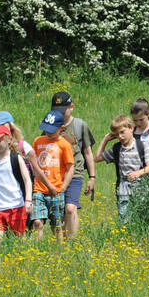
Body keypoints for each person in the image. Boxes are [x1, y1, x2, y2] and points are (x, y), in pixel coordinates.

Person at [49, 92, 96, 239]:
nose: (61, 114)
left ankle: (72, 243)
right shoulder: (49, 123)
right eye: (57, 111)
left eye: (63, 110)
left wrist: (92, 177)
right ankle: (62, 243)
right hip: (56, 174)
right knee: (58, 211)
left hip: (75, 172)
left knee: (70, 208)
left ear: (72, 107)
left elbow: (88, 153)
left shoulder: (80, 125)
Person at [96, 114, 149, 223]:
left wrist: (139, 173)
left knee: (141, 218)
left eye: (122, 132)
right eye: (117, 135)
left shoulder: (143, 146)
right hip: (123, 189)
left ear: (131, 128)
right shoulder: (116, 149)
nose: (120, 137)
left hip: (141, 188)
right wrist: (105, 140)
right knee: (124, 219)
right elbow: (97, 158)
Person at [31, 109, 73, 241]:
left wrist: (63, 188)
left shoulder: (64, 145)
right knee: (37, 222)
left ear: (61, 128)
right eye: (46, 129)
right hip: (39, 189)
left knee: (57, 225)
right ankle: (37, 249)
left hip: (56, 190)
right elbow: (34, 164)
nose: (48, 132)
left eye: (52, 130)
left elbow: (71, 167)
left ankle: (60, 250)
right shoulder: (38, 141)